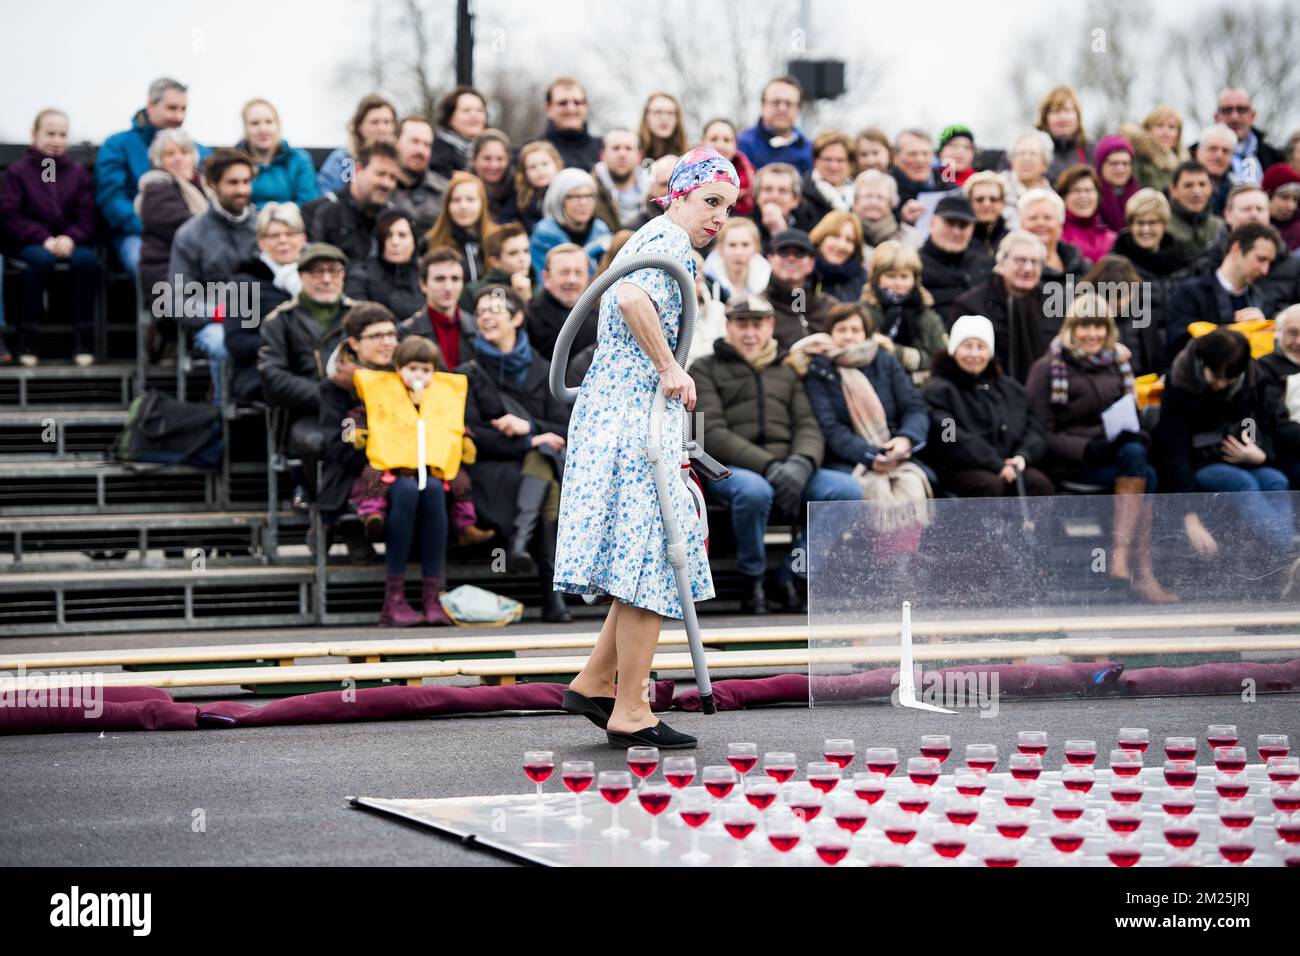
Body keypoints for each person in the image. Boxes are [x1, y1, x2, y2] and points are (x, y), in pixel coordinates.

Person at [555, 146, 741, 749]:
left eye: (729, 208)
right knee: (653, 556)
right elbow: (630, 298)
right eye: (711, 201)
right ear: (679, 195)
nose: (720, 217)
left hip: (627, 417)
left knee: (646, 554)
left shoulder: (660, 240)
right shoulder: (666, 241)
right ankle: (631, 708)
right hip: (630, 419)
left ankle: (597, 681)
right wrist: (669, 366)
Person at [694, 294, 858, 614]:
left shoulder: (786, 369)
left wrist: (801, 463)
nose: (750, 333)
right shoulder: (705, 369)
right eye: (742, 325)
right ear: (728, 326)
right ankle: (752, 578)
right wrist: (768, 465)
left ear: (771, 325)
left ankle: (793, 574)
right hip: (731, 469)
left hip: (789, 466)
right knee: (754, 491)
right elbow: (711, 433)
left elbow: (808, 425)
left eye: (758, 324)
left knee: (846, 489)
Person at [1025, 291, 1175, 603]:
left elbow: (1128, 415)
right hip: (1072, 461)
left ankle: (1136, 570)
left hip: (1115, 456)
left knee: (1143, 463)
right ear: (1071, 328)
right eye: (1085, 326)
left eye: (1099, 326)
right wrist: (1089, 448)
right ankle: (1129, 565)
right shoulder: (1049, 367)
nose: (1092, 334)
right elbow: (1040, 431)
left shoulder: (1115, 365)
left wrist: (1134, 433)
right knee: (1143, 468)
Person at [458, 285, 574, 623]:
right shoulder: (467, 371)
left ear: (517, 318)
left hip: (533, 470)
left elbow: (564, 428)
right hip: (490, 470)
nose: (486, 317)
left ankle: (522, 546)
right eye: (480, 312)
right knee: (546, 473)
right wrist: (529, 441)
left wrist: (528, 427)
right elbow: (468, 434)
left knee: (545, 469)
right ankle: (552, 592)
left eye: (495, 309)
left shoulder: (545, 368)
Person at [790, 301, 934, 569]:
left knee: (911, 485)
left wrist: (904, 439)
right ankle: (875, 564)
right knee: (868, 488)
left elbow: (914, 406)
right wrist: (870, 456)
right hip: (846, 458)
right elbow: (830, 427)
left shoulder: (884, 360)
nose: (848, 335)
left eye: (855, 329)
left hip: (895, 451)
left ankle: (900, 564)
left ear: (867, 334)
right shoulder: (818, 369)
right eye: (841, 329)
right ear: (830, 332)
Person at [344, 330, 463, 627]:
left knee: (435, 491)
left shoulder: (441, 399)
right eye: (412, 368)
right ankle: (393, 598)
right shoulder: (381, 394)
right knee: (407, 491)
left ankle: (431, 596)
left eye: (426, 369)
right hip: (389, 478)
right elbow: (353, 425)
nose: (419, 375)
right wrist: (354, 433)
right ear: (398, 370)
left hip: (432, 477)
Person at [1155, 328, 1294, 557]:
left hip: (1246, 458)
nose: (1221, 384)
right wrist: (1189, 516)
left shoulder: (1253, 378)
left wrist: (1262, 455)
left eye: (1228, 379)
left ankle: (1281, 555)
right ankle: (1288, 553)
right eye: (1216, 377)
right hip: (1201, 461)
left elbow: (1267, 424)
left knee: (1275, 480)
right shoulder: (1180, 382)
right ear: (1202, 363)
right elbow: (1174, 449)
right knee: (1242, 483)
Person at [258, 243, 356, 507]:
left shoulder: (360, 316)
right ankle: (329, 516)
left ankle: (355, 512)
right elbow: (272, 376)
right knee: (316, 442)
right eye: (317, 272)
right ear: (301, 276)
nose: (326, 279)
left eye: (333, 271)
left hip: (359, 409)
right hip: (307, 413)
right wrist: (327, 394)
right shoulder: (280, 321)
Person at [0, 108, 98, 367]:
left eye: (62, 134)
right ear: (34, 135)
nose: (56, 140)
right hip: (29, 243)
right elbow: (10, 216)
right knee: (41, 261)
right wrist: (43, 238)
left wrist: (70, 238)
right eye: (50, 133)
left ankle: (84, 340)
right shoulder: (17, 172)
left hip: (69, 242)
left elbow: (87, 216)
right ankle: (27, 340)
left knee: (87, 262)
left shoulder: (77, 173)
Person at [921, 314, 1053, 497]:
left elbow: (1035, 427)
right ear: (954, 349)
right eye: (967, 346)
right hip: (960, 468)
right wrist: (995, 464)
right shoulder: (938, 390)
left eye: (981, 347)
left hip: (1012, 463)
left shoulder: (1010, 388)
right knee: (991, 487)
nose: (974, 354)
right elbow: (949, 437)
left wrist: (1023, 455)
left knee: (1039, 484)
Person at [168, 148, 258, 402]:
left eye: (246, 181)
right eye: (233, 182)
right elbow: (175, 301)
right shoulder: (190, 234)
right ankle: (226, 425)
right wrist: (218, 313)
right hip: (214, 324)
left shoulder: (265, 228)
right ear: (212, 184)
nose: (242, 189)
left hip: (262, 319)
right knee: (224, 345)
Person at [95, 77, 205, 275]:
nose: (178, 116)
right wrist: (154, 227)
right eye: (172, 108)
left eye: (183, 109)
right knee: (144, 262)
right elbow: (113, 201)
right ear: (151, 106)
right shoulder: (118, 146)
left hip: (192, 232)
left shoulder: (199, 151)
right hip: (139, 234)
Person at [135, 128, 208, 364]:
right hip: (168, 275)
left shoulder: (206, 188)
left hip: (200, 270)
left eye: (184, 152)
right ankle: (170, 340)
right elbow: (191, 231)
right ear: (159, 162)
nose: (178, 158)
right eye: (169, 154)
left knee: (250, 296)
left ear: (194, 157)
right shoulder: (157, 189)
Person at [1166, 222, 1282, 365]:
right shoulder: (1190, 293)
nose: (1265, 270)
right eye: (1260, 259)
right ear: (1237, 249)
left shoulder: (1262, 300)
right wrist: (1241, 333)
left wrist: (1262, 331)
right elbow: (1180, 348)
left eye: (1269, 262)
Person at [952, 230, 1057, 384]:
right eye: (1020, 260)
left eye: (1035, 262)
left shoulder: (1055, 303)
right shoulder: (970, 307)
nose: (1028, 268)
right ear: (1001, 263)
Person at [227, 203, 307, 402]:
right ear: (261, 242)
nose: (283, 241)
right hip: (261, 371)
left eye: (290, 234)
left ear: (303, 239)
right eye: (274, 236)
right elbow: (237, 342)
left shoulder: (320, 277)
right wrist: (285, 343)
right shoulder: (246, 282)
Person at [1190, 184, 1300, 315]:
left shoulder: (1293, 266)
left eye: (1260, 209)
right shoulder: (1206, 262)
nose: (1254, 215)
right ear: (1228, 215)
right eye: (1246, 209)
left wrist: (1269, 321)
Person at [861, 240, 948, 387]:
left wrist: (897, 352)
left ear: (915, 279)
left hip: (920, 390)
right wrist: (920, 359)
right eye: (891, 276)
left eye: (904, 276)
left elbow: (941, 360)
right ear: (876, 277)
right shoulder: (863, 311)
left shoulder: (927, 314)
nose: (898, 283)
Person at [304, 140, 400, 264]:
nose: (387, 184)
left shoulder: (394, 219)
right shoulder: (317, 211)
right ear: (358, 169)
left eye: (393, 177)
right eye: (380, 174)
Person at [1081, 256, 1164, 378]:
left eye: (1126, 294)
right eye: (1114, 296)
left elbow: (1157, 357)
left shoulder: (1143, 312)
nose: (1121, 302)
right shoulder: (1085, 318)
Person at [761, 229, 841, 351]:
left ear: (811, 263)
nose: (791, 258)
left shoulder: (831, 307)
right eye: (783, 252)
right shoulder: (759, 307)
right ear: (770, 258)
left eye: (800, 253)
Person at [399, 247, 476, 371]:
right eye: (440, 279)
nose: (448, 287)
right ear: (423, 285)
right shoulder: (406, 332)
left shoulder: (478, 328)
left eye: (455, 279)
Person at [919, 193, 992, 322]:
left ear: (972, 229)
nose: (956, 231)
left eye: (963, 225)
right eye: (950, 223)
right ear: (932, 223)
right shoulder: (915, 265)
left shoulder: (984, 265)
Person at [529, 168, 613, 278]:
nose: (583, 202)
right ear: (559, 200)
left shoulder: (600, 229)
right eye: (575, 197)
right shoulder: (544, 234)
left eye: (588, 196)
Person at [238, 98, 318, 207]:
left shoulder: (299, 160)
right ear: (245, 128)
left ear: (278, 125)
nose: (263, 129)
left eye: (269, 122)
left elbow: (309, 204)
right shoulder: (233, 162)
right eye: (254, 123)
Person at [424, 171, 498, 286]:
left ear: (482, 204)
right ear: (447, 205)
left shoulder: (498, 239)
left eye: (470, 199)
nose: (463, 206)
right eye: (456, 200)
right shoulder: (431, 242)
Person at [345, 211, 423, 319]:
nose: (395, 242)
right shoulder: (360, 276)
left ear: (414, 241)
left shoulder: (427, 274)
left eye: (402, 235)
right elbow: (360, 319)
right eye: (388, 235)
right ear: (378, 241)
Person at [316, 94, 396, 196]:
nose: (381, 128)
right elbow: (330, 196)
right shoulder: (346, 160)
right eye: (374, 122)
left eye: (387, 122)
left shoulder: (399, 160)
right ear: (359, 126)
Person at [1256, 305, 1300, 489]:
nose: (1299, 342)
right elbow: (1277, 423)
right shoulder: (1264, 368)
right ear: (1278, 333)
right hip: (1288, 454)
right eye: (1292, 333)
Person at [524, 244, 592, 363]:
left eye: (579, 273)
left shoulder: (600, 316)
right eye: (564, 273)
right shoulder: (528, 317)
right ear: (546, 278)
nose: (572, 280)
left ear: (588, 278)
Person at [738, 76, 813, 173]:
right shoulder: (742, 145)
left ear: (798, 108)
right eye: (775, 102)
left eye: (789, 103)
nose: (782, 108)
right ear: (763, 105)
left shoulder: (810, 151)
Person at [390, 114, 450, 238]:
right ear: (395, 143)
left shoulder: (445, 192)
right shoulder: (380, 189)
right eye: (414, 142)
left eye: (427, 145)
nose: (421, 151)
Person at [1211, 88, 1287, 185]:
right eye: (1227, 110)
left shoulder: (1278, 159)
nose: (1234, 117)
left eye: (1242, 110)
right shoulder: (1196, 157)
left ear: (1253, 116)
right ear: (1216, 117)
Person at [1018, 187, 1089, 288]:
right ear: (1021, 225)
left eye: (1047, 217)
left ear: (1060, 224)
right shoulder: (1012, 269)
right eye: (1033, 218)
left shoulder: (1082, 267)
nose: (1040, 223)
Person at [460, 222, 534, 312]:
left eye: (526, 251)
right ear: (495, 262)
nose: (522, 259)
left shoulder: (541, 289)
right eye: (513, 253)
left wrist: (528, 300)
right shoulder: (473, 292)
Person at [535, 76, 601, 172]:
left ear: (586, 106)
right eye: (563, 103)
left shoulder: (605, 150)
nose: (571, 109)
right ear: (548, 108)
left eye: (577, 102)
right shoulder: (532, 152)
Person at [853, 169, 922, 260]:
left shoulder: (911, 237)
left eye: (880, 197)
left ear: (891, 203)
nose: (874, 202)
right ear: (855, 202)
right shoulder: (846, 236)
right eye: (868, 196)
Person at [748, 162, 820, 248]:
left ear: (796, 200)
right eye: (768, 189)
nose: (774, 196)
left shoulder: (812, 226)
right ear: (756, 196)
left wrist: (779, 230)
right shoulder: (744, 226)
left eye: (782, 191)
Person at [700, 216, 770, 302]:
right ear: (720, 248)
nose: (738, 252)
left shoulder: (769, 285)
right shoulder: (705, 284)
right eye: (732, 245)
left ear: (756, 248)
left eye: (745, 245)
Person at [1165, 160, 1224, 262]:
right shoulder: (1163, 227)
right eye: (1188, 185)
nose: (1197, 192)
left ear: (1211, 188)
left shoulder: (1220, 227)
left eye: (1202, 184)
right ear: (1173, 191)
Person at [1122, 106, 1189, 194]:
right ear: (1147, 130)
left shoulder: (1185, 160)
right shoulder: (1140, 158)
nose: (1166, 131)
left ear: (1178, 133)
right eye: (1159, 126)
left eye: (1171, 127)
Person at [1056, 164, 1116, 264]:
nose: (1083, 196)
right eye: (1076, 191)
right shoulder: (1057, 236)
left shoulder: (1111, 238)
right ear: (1063, 197)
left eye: (1088, 190)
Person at [593, 128, 649, 230]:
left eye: (628, 148)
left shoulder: (651, 189)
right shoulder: (590, 191)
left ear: (639, 156)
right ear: (602, 155)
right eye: (615, 148)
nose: (622, 154)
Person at [891, 129, 954, 219]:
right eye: (912, 154)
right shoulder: (884, 190)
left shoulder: (949, 187)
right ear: (895, 157)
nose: (920, 160)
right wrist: (901, 218)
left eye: (925, 154)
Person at [1036, 85, 1094, 183]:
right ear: (1045, 118)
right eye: (1056, 111)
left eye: (1067, 110)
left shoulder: (1091, 152)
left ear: (1078, 116)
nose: (1062, 117)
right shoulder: (1034, 150)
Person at [998, 129, 1054, 228]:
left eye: (1033, 154)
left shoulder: (1052, 199)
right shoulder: (996, 190)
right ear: (1011, 161)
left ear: (1044, 164)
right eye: (1021, 153)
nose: (1026, 158)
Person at [429, 86, 487, 180]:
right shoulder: (435, 154)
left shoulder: (492, 151)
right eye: (466, 110)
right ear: (449, 117)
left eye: (480, 110)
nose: (474, 115)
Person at [701, 118, 756, 216]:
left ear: (735, 145)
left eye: (727, 140)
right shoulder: (686, 175)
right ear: (703, 143)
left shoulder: (752, 178)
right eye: (713, 139)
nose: (720, 145)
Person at [810, 210, 867, 302]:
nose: (841, 245)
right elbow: (796, 310)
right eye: (835, 236)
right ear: (821, 238)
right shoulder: (802, 273)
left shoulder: (863, 282)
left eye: (849, 240)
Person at [801, 130, 856, 220]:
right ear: (815, 161)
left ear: (850, 163)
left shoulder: (859, 194)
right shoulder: (801, 194)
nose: (833, 165)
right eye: (827, 159)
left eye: (840, 160)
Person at [512, 140, 563, 233]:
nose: (539, 170)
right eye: (532, 167)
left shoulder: (567, 193)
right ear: (524, 173)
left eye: (545, 164)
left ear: (557, 165)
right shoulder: (520, 198)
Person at [470, 129, 518, 225]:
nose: (494, 166)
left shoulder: (519, 193)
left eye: (500, 159)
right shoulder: (461, 190)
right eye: (487, 158)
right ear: (474, 160)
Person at [1093, 135, 1140, 233]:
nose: (1121, 169)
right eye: (1114, 163)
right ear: (1101, 166)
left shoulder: (1139, 197)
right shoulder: (1091, 197)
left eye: (1125, 163)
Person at [1195, 123, 1239, 217]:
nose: (1219, 155)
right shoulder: (1179, 183)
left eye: (1226, 151)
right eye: (1212, 149)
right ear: (1198, 152)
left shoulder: (1237, 191)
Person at [964, 170, 1011, 257]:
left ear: (1003, 203)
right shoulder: (959, 239)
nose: (986, 204)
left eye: (993, 199)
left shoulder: (1012, 239)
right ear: (969, 203)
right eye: (979, 199)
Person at [638, 92, 689, 161]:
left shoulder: (688, 157)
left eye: (670, 113)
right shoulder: (632, 151)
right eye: (658, 112)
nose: (664, 118)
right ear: (646, 116)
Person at [1262, 163, 1300, 252]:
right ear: (1268, 196)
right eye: (1284, 197)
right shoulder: (1254, 226)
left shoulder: (1298, 231)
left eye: (1295, 199)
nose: (1291, 206)